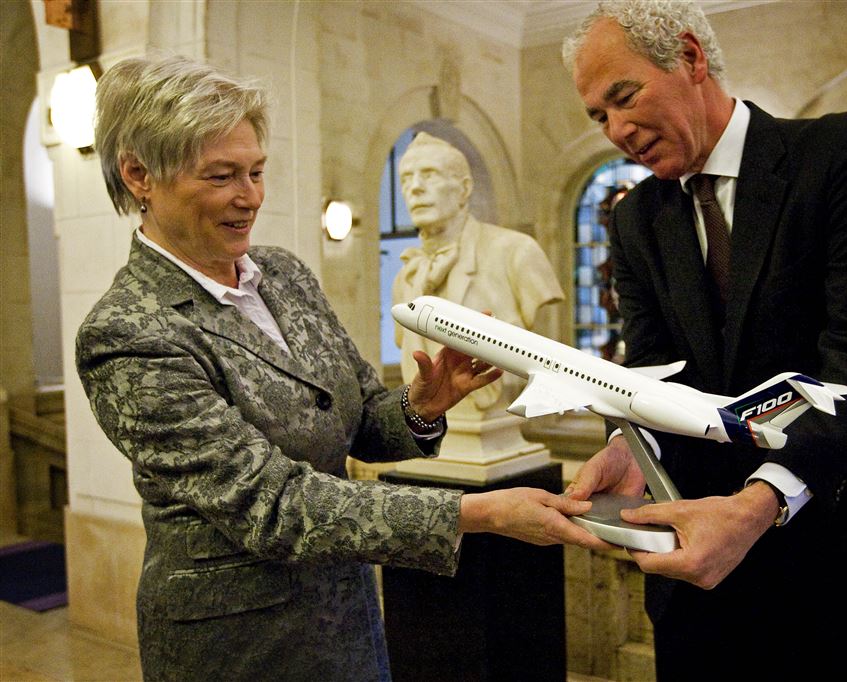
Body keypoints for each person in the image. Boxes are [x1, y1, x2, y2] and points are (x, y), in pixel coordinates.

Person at [76, 55, 606, 682]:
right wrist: (476, 514)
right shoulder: (128, 331)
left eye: (256, 170)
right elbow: (271, 504)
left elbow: (359, 422)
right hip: (239, 644)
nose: (250, 197)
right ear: (139, 174)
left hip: (345, 617)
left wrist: (423, 404)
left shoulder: (285, 275)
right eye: (221, 176)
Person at [561, 1, 847, 679]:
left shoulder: (839, 154)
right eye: (598, 117)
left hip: (841, 552)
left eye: (623, 97)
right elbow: (654, 369)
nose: (616, 131)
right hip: (697, 574)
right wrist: (632, 446)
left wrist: (759, 501)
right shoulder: (634, 219)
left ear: (689, 57)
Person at [392, 132, 563, 418]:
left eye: (429, 175)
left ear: (464, 188)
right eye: (406, 179)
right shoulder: (405, 277)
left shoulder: (516, 251)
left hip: (496, 423)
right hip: (433, 433)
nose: (415, 188)